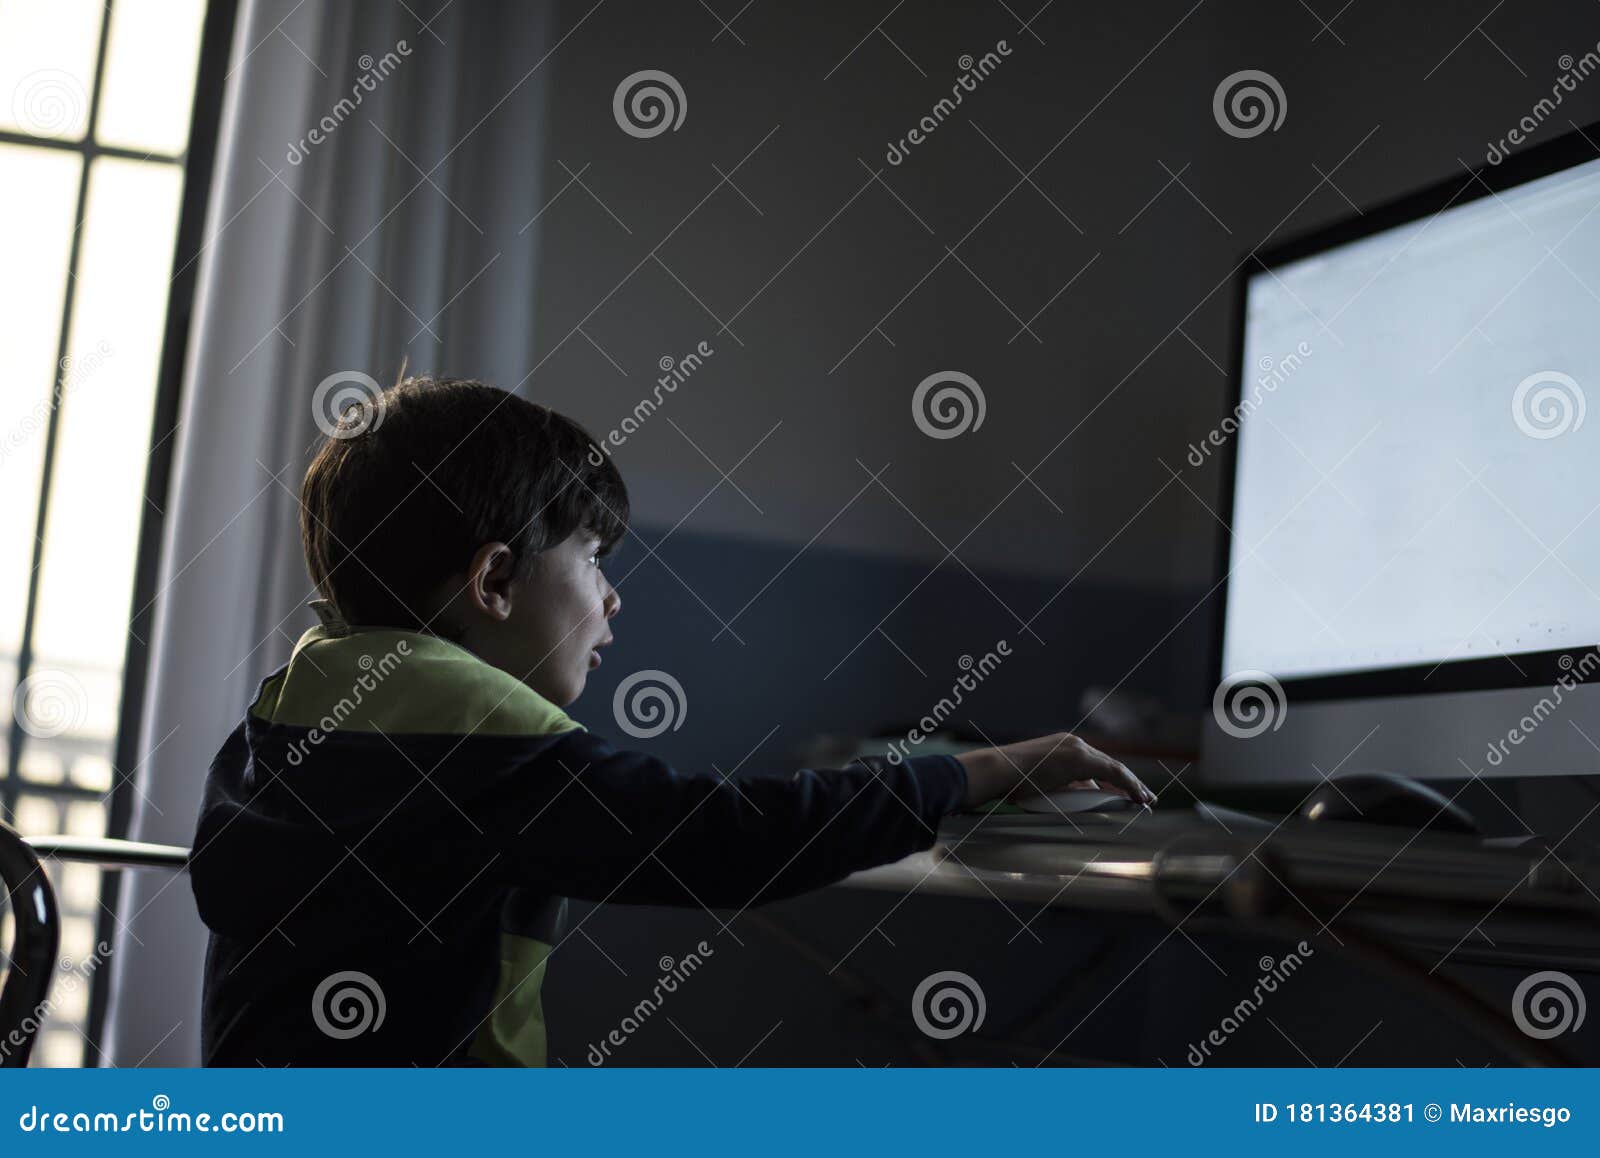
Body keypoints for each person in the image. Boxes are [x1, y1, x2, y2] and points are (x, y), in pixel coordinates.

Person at [189, 376, 1153, 1066]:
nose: (613, 602)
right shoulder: (476, 742)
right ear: (492, 579)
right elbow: (727, 840)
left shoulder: (289, 717)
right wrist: (973, 773)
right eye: (594, 560)